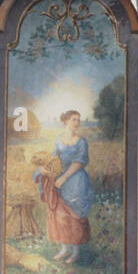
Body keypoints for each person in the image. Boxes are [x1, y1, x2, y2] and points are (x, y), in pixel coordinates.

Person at [34, 110, 92, 263]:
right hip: (59, 180)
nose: (77, 123)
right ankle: (64, 249)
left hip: (76, 181)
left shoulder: (81, 142)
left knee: (75, 216)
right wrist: (45, 169)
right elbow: (53, 159)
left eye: (78, 120)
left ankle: (76, 251)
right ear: (66, 121)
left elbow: (79, 162)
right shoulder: (59, 141)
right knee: (60, 216)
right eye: (74, 120)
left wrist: (65, 177)